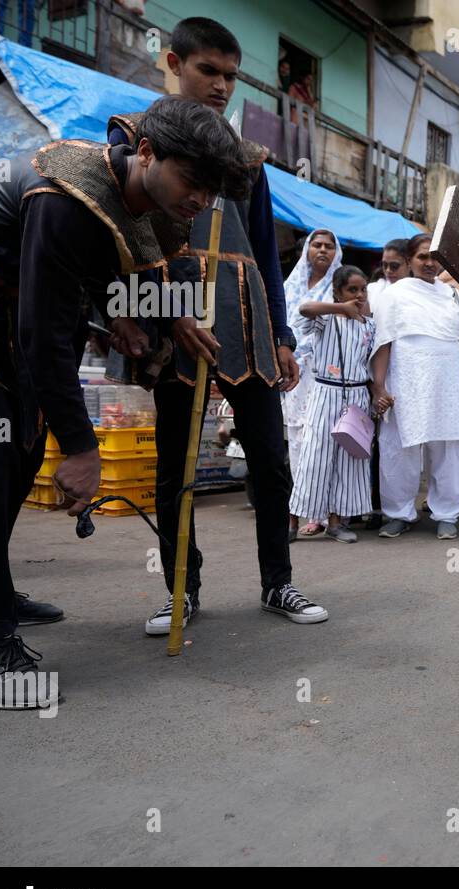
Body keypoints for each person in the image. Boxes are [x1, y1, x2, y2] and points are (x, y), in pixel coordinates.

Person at [0, 95, 247, 708]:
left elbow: (109, 278)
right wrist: (85, 448)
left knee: (21, 447)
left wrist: (142, 320)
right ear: (146, 152)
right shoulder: (67, 198)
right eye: (192, 182)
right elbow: (43, 332)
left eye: (210, 190)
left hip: (7, 296)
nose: (199, 200)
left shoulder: (146, 201)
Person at [109, 18, 328, 636]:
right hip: (176, 310)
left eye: (231, 75)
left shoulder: (247, 158)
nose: (222, 85)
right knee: (176, 463)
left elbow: (263, 250)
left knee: (269, 458)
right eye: (209, 70)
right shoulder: (135, 137)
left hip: (248, 314)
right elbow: (127, 240)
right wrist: (159, 314)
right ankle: (182, 589)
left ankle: (277, 581)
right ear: (174, 62)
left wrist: (282, 335)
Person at [371, 233, 459, 540]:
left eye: (434, 257)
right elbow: (384, 342)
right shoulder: (395, 294)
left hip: (447, 384)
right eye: (422, 257)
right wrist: (379, 387)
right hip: (406, 382)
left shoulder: (451, 296)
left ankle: (447, 513)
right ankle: (399, 513)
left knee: (450, 447)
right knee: (398, 449)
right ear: (409, 260)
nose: (429, 263)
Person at [288, 265, 375, 543]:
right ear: (338, 292)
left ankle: (337, 522)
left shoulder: (370, 325)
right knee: (314, 458)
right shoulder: (326, 318)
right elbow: (304, 309)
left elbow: (370, 363)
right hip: (326, 392)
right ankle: (292, 521)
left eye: (363, 289)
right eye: (352, 290)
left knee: (348, 461)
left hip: (357, 396)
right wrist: (340, 309)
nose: (359, 295)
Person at [281, 228, 343, 539]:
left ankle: (324, 516)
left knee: (322, 444)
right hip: (291, 373)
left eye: (328, 246)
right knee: (297, 444)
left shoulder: (339, 287)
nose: (322, 250)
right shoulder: (289, 285)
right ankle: (301, 511)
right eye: (316, 245)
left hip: (323, 372)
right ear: (306, 249)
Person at [367, 238, 409, 314]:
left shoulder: (420, 291)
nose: (388, 270)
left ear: (409, 264)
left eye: (394, 266)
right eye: (385, 265)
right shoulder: (372, 290)